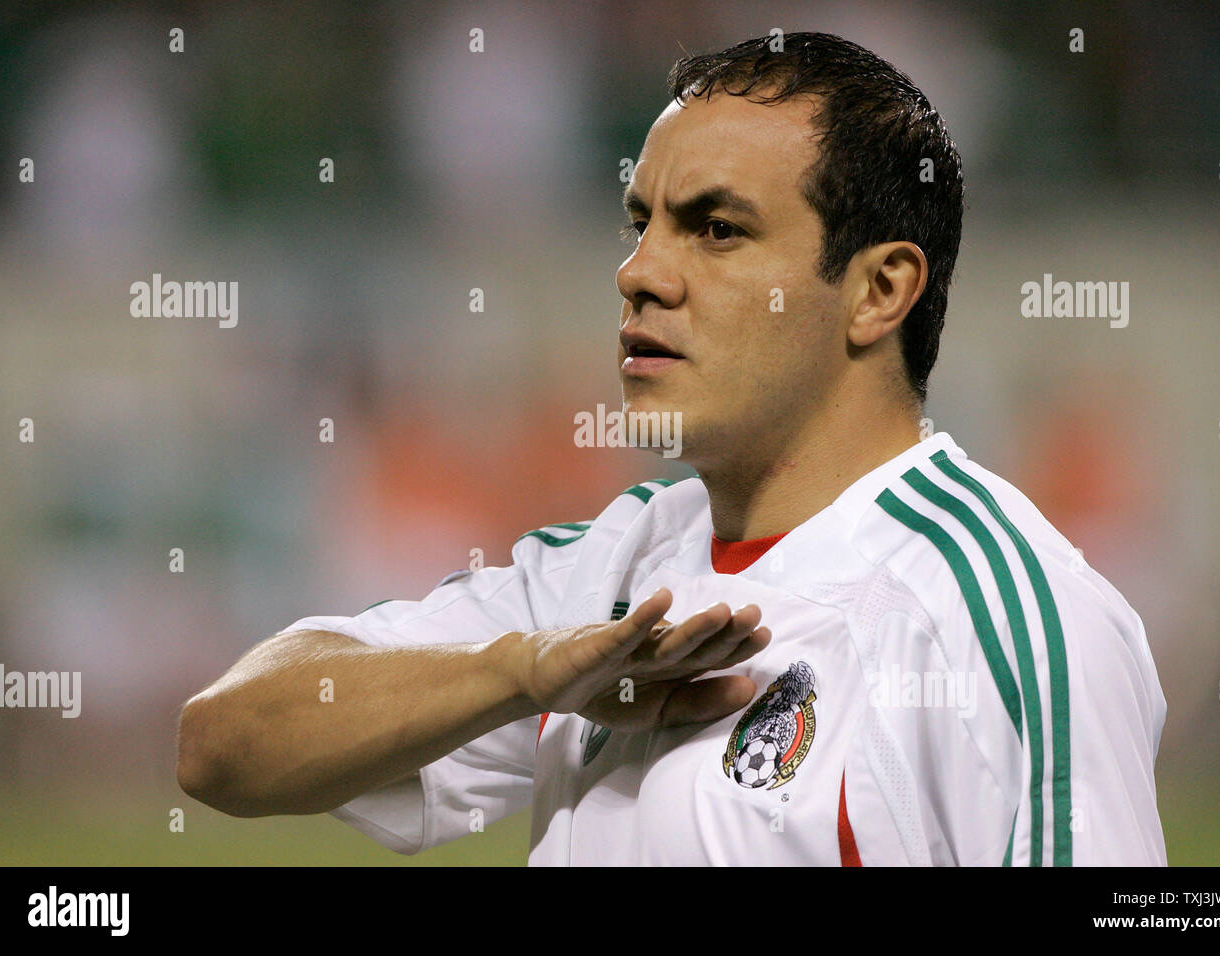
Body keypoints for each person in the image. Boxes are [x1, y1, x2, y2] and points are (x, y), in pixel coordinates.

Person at [177, 32, 1166, 866]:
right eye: (639, 221)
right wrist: (523, 674)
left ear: (877, 291)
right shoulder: (603, 579)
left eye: (716, 229)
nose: (640, 271)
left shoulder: (997, 613)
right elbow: (222, 745)